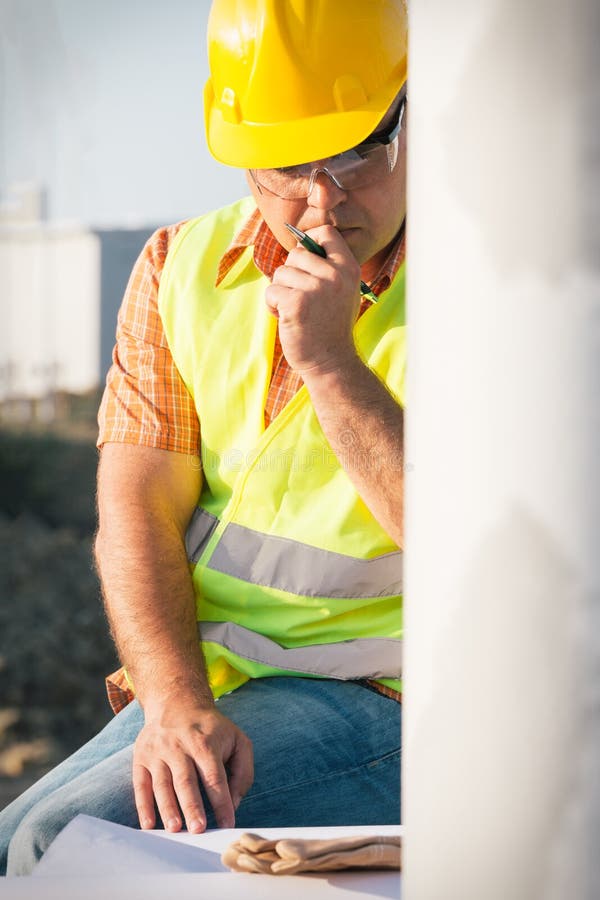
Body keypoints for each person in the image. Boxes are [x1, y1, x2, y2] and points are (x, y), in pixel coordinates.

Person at [0, 0, 407, 875]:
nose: (324, 200)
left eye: (359, 150)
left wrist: (331, 361)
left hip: (404, 702)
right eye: (287, 166)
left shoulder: (492, 289)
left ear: (415, 115)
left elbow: (475, 554)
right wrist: (174, 703)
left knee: (61, 849)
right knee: (14, 848)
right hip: (222, 688)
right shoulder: (178, 266)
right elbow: (135, 509)